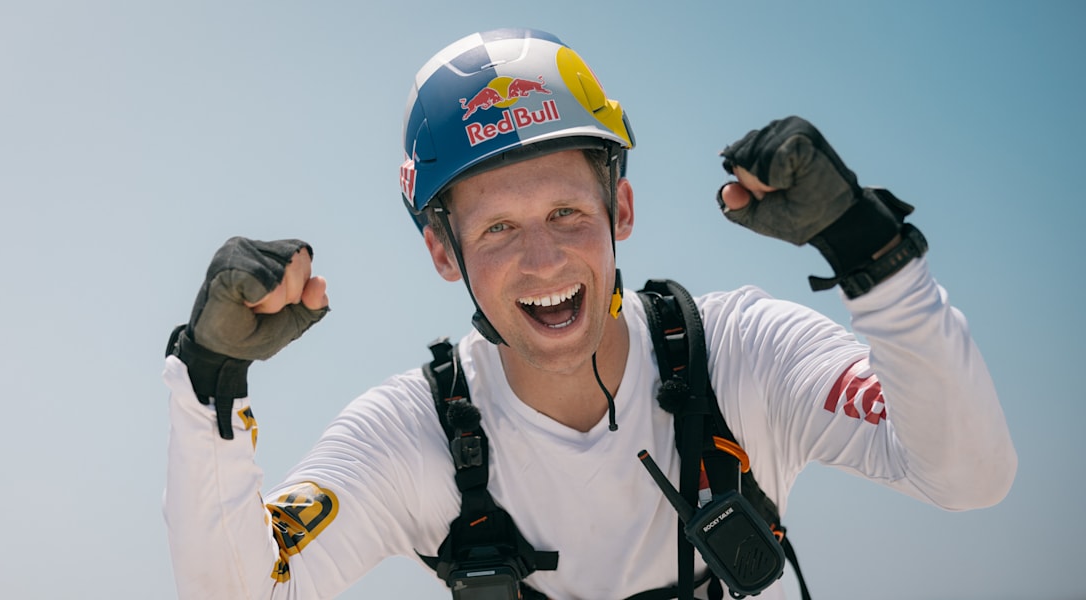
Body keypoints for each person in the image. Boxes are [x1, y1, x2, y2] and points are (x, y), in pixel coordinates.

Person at [162, 28, 1017, 600]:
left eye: (568, 213)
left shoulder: (744, 353)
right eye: (497, 228)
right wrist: (210, 381)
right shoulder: (408, 435)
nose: (543, 260)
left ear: (624, 212)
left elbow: (968, 476)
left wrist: (872, 256)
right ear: (442, 254)